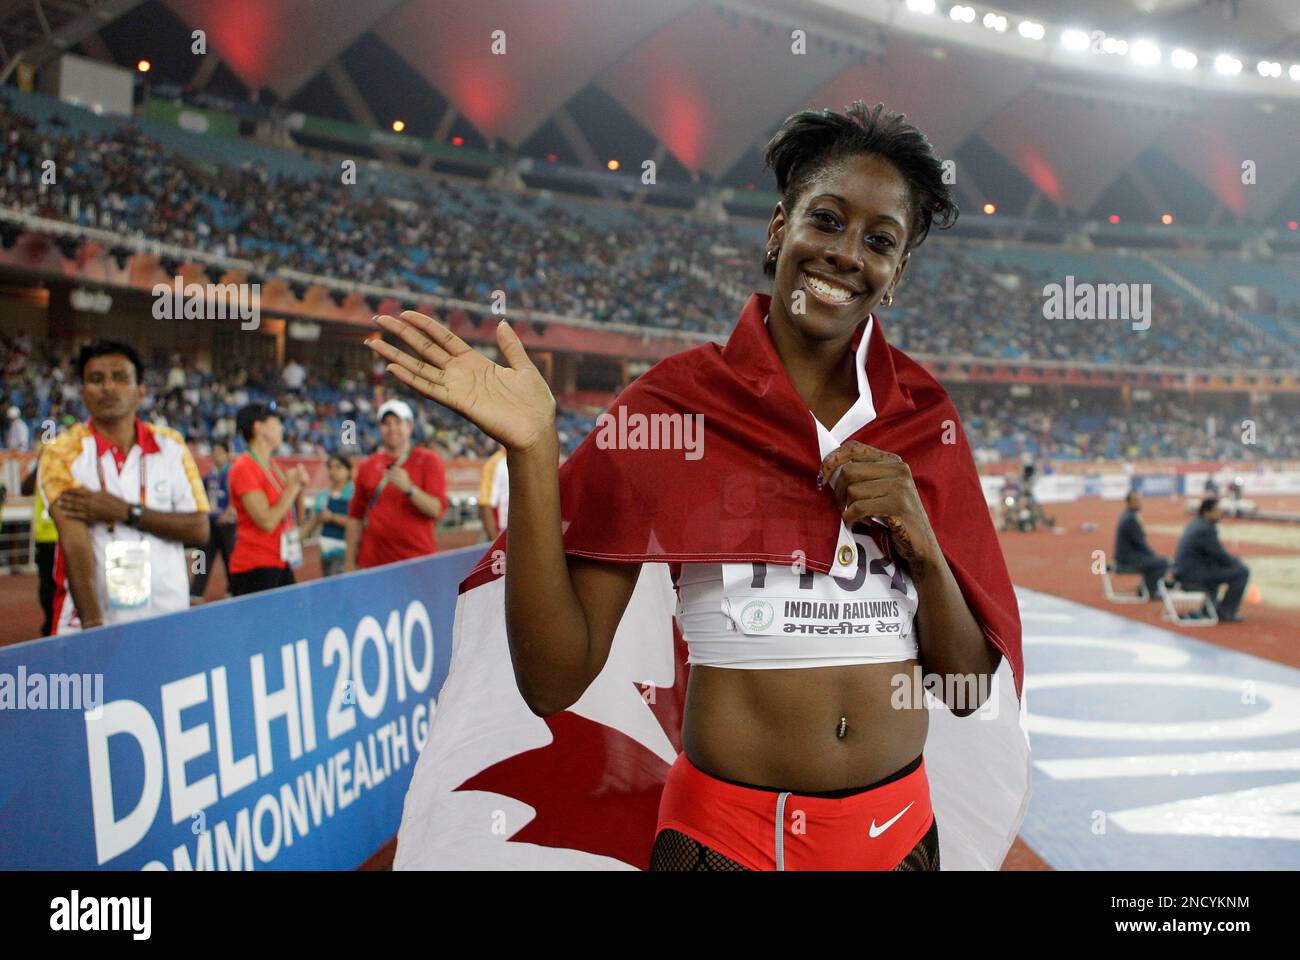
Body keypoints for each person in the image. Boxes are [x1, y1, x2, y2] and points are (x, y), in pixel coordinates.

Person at [379, 102, 1028, 871]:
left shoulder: (924, 422)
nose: (848, 254)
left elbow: (961, 689)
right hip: (724, 846)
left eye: (879, 240)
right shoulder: (674, 408)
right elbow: (552, 681)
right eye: (827, 220)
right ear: (779, 228)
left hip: (900, 838)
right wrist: (533, 452)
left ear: (897, 273)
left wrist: (920, 543)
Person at [38, 340, 210, 634]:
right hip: (94, 621)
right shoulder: (62, 451)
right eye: (96, 379)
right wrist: (94, 628)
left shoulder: (171, 446)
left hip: (167, 613)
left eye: (120, 377)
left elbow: (198, 529)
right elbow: (75, 544)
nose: (108, 387)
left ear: (141, 390)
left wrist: (125, 511)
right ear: (82, 393)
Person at [344, 399, 446, 571]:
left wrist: (409, 489)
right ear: (379, 428)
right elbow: (355, 517)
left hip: (417, 562)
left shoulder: (429, 461)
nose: (392, 428)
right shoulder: (367, 465)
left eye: (398, 422)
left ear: (410, 426)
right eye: (386, 423)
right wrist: (348, 562)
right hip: (372, 564)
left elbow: (436, 510)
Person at [226, 403, 308, 596]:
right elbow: (267, 522)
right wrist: (293, 487)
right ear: (258, 427)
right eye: (277, 422)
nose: (282, 428)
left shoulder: (274, 466)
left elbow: (296, 518)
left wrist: (299, 489)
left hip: (280, 559)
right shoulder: (244, 467)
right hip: (255, 567)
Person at [1173, 497, 1251, 622]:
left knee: (1224, 569)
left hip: (1185, 571)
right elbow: (1219, 555)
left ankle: (1213, 607)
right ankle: (1226, 612)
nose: (1220, 513)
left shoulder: (1196, 523)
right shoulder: (1205, 529)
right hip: (1193, 575)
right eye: (1217, 510)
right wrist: (1236, 562)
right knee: (1242, 572)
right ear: (1206, 512)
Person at [189, 438, 237, 602]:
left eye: (219, 452)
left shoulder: (231, 474)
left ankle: (233, 589)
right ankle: (195, 591)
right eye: (214, 452)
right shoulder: (208, 476)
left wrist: (227, 514)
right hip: (210, 523)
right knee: (201, 556)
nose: (216, 456)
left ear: (226, 454)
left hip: (227, 524)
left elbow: (235, 497)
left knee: (229, 558)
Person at [20, 445, 59, 635]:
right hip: (45, 538)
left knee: (63, 584)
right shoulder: (40, 472)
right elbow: (25, 489)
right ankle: (49, 623)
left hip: (64, 537)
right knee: (46, 585)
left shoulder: (65, 470)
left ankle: (59, 622)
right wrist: (39, 465)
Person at [1114, 489, 1175, 601]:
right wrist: (1153, 556)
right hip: (1128, 559)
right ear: (1128, 502)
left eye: (1139, 499)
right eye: (1135, 500)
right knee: (1162, 562)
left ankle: (1146, 588)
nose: (1139, 502)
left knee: (1157, 561)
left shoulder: (1129, 515)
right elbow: (1140, 543)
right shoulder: (1130, 519)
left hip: (1128, 555)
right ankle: (1151, 590)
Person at [305, 453, 353, 577]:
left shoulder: (355, 494)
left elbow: (359, 523)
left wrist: (332, 518)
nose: (333, 471)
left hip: (347, 551)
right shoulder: (323, 495)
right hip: (326, 551)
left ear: (348, 470)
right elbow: (313, 521)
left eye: (338, 467)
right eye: (330, 467)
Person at [478, 444, 508, 539]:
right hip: (504, 534)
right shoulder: (495, 462)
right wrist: (495, 541)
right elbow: (485, 504)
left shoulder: (532, 460)